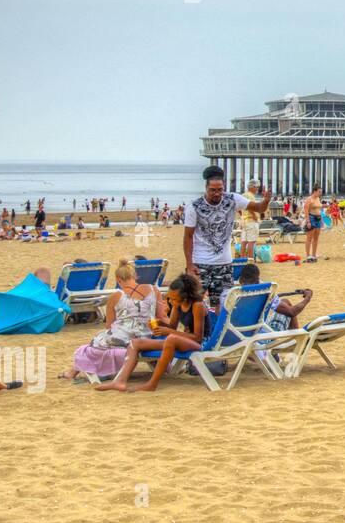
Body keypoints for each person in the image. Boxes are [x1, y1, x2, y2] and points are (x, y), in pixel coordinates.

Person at [94, 273, 207, 392]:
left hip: (200, 343)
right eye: (170, 298)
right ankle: (119, 381)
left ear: (185, 297)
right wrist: (158, 323)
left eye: (174, 299)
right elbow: (172, 326)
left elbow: (198, 337)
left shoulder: (197, 306)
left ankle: (152, 384)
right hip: (182, 341)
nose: (171, 301)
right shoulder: (177, 305)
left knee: (171, 338)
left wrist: (168, 331)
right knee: (135, 343)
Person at [184, 165, 271, 312]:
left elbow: (259, 208)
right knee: (194, 304)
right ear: (206, 188)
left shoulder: (232, 199)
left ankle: (216, 334)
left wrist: (266, 200)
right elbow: (188, 236)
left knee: (222, 306)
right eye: (213, 190)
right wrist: (189, 264)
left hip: (224, 263)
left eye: (220, 189)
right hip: (200, 262)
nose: (217, 193)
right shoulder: (194, 206)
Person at [61, 259, 161, 381]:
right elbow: (161, 317)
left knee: (90, 346)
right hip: (146, 336)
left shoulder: (115, 297)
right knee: (100, 340)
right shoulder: (154, 290)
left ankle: (72, 373)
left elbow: (109, 326)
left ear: (118, 280)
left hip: (125, 340)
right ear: (135, 276)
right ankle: (72, 372)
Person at [302, 184, 324, 262]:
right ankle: (308, 255)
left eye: (321, 192)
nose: (320, 193)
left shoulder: (318, 198)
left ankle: (314, 255)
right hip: (311, 218)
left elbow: (319, 209)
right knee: (309, 238)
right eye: (319, 192)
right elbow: (306, 211)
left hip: (318, 218)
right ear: (314, 191)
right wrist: (308, 221)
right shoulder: (309, 199)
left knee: (316, 238)